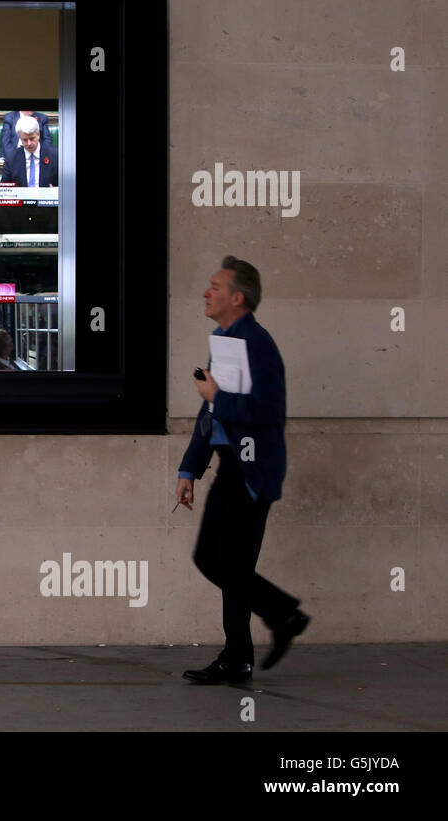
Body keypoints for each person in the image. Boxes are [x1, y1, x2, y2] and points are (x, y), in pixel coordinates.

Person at [177, 256, 308, 684]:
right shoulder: (224, 338)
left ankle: (264, 633)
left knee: (228, 565)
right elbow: (211, 408)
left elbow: (269, 411)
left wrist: (217, 395)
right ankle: (256, 640)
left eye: (215, 286)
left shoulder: (257, 344)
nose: (206, 292)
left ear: (238, 297)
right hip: (231, 465)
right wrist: (189, 469)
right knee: (217, 561)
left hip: (252, 471)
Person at [1, 114, 59, 187]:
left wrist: (56, 191)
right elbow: (5, 188)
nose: (29, 143)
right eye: (25, 140)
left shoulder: (55, 156)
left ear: (38, 135)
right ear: (20, 138)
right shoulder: (11, 159)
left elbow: (66, 186)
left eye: (32, 138)